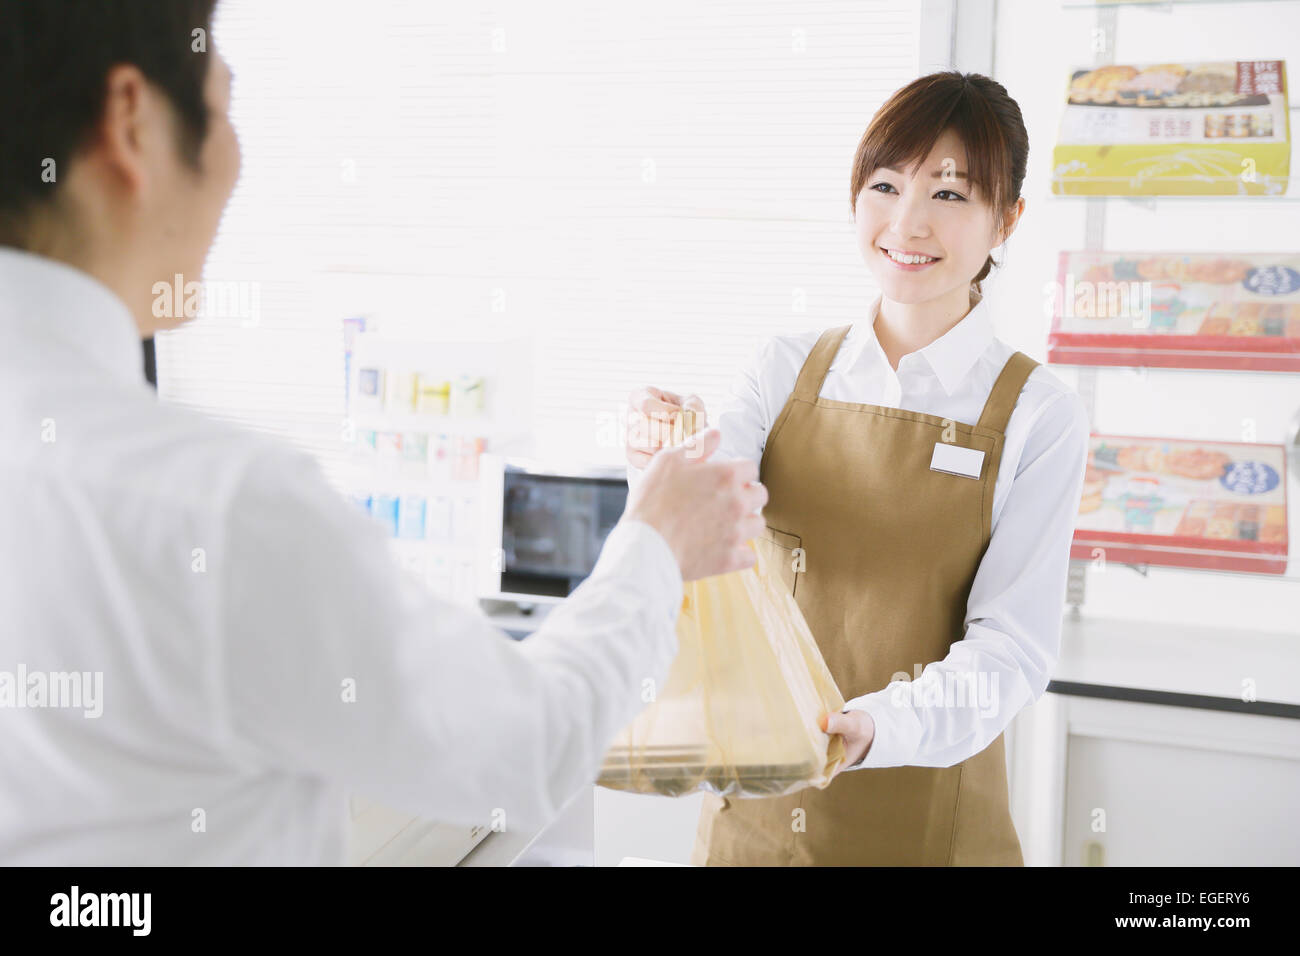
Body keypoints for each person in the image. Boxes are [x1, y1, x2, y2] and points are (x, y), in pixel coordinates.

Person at [0, 0, 767, 864]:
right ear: (133, 122)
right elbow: (523, 746)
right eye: (224, 102)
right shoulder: (221, 510)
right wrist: (657, 546)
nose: (237, 161)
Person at [627, 72, 1091, 866]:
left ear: (1007, 219)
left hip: (927, 823)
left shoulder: (1038, 414)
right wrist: (664, 453)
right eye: (885, 185)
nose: (907, 223)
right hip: (757, 818)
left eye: (949, 195)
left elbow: (1011, 650)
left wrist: (878, 727)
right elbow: (700, 537)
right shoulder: (784, 369)